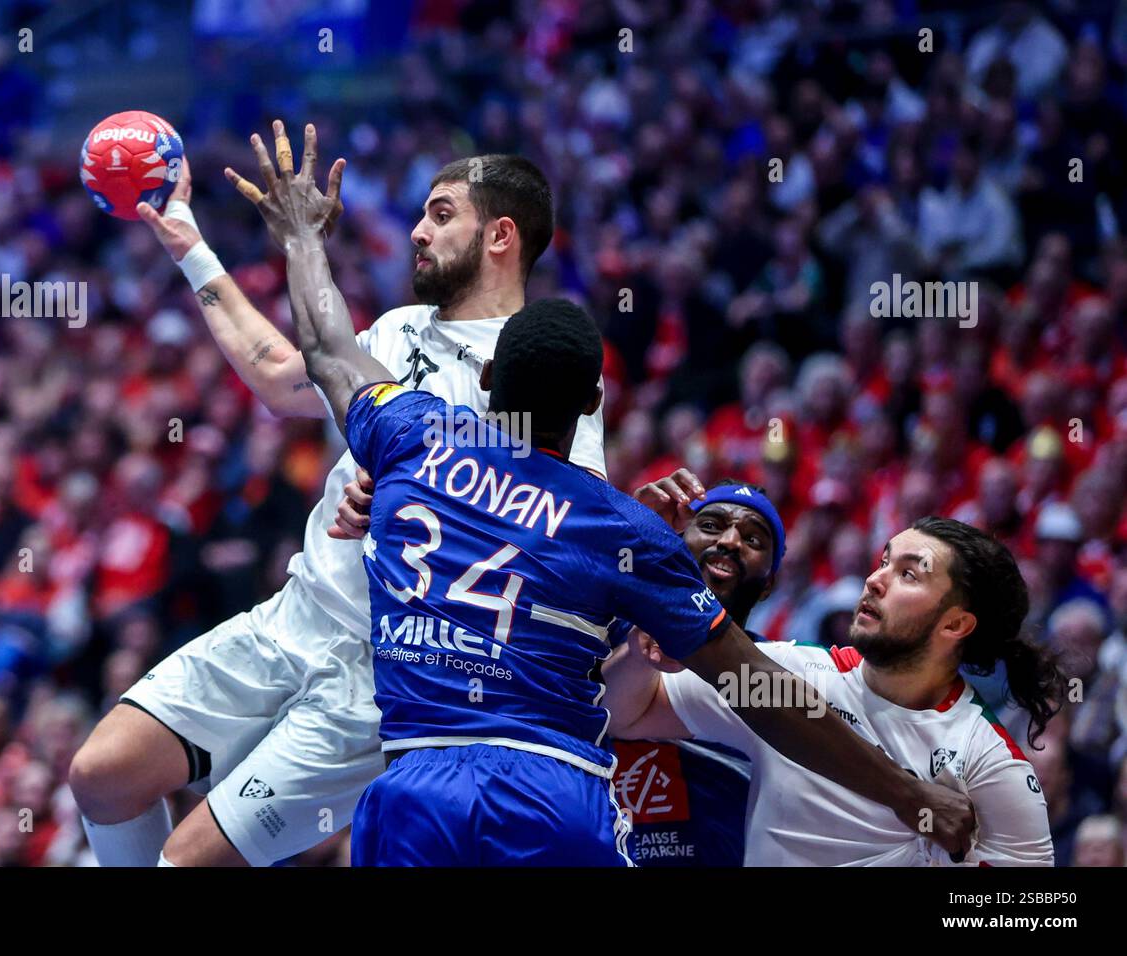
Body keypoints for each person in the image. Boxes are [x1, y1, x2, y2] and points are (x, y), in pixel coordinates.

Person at [246, 122, 976, 865]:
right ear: (593, 398)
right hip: (549, 796)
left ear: (491, 382)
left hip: (414, 787)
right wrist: (907, 792)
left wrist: (303, 236)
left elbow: (328, 347)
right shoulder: (619, 527)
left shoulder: (410, 432)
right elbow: (761, 691)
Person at [68, 123, 606, 866]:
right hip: (292, 618)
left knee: (182, 864)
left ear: (501, 235)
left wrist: (405, 503)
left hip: (379, 671)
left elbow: (568, 528)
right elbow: (275, 371)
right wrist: (184, 235)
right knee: (102, 776)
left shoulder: (545, 366)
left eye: (441, 214)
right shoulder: (397, 328)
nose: (417, 231)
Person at [605, 516, 1061, 865]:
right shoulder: (792, 674)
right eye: (884, 561)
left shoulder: (990, 762)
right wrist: (642, 655)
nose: (874, 579)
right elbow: (629, 712)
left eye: (908, 574)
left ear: (956, 624)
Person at [610, 474, 784, 866]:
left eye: (753, 540)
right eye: (710, 526)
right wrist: (627, 532)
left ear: (770, 582)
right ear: (675, 539)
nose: (729, 542)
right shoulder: (602, 631)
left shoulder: (779, 672)